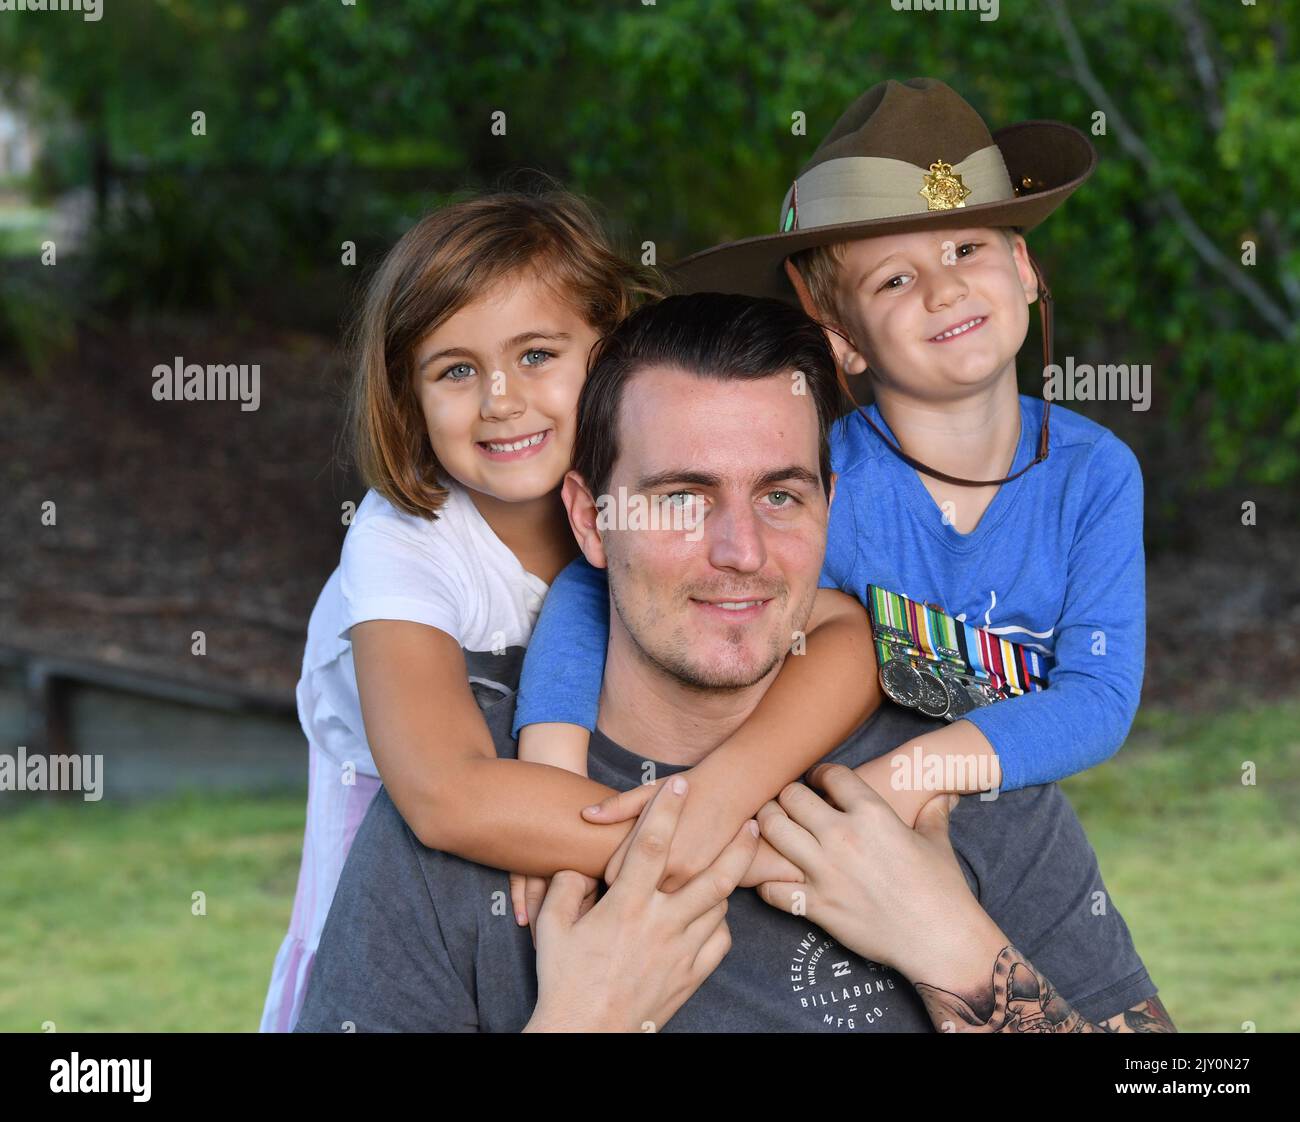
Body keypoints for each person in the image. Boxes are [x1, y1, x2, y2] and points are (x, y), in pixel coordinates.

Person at [294, 292, 1172, 1033]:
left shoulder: (958, 781)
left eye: (781, 495)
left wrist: (955, 947)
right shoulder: (473, 823)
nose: (741, 551)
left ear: (829, 509)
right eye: (683, 498)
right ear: (592, 520)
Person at [259, 184, 873, 1032]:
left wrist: (725, 792)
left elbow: (846, 636)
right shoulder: (402, 537)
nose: (501, 399)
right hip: (401, 825)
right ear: (407, 395)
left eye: (538, 355)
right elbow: (446, 797)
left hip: (559, 795)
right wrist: (736, 852)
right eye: (456, 370)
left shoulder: (658, 505)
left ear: (610, 347)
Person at [509, 78, 1145, 871]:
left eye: (966, 250)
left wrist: (896, 782)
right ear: (841, 338)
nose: (944, 288)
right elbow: (596, 579)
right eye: (896, 280)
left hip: (992, 835)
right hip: (802, 826)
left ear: (1022, 267)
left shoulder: (1095, 477)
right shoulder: (808, 486)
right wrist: (552, 777)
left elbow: (1097, 697)